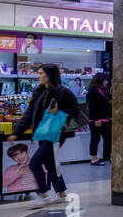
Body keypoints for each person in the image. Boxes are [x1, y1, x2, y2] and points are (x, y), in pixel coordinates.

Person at [8, 63, 81, 208]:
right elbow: (29, 114)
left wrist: (58, 111)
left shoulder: (63, 92)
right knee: (50, 163)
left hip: (55, 134)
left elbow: (75, 110)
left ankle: (43, 195)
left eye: (41, 73)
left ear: (49, 76)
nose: (38, 76)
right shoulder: (39, 92)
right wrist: (16, 133)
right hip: (42, 133)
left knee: (35, 162)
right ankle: (61, 194)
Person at [86, 73, 112, 165]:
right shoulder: (92, 91)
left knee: (108, 138)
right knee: (95, 139)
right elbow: (92, 107)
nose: (107, 82)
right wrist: (96, 119)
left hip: (104, 119)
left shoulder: (100, 90)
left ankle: (107, 156)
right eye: (106, 80)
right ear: (100, 80)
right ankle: (94, 158)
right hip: (97, 120)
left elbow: (101, 104)